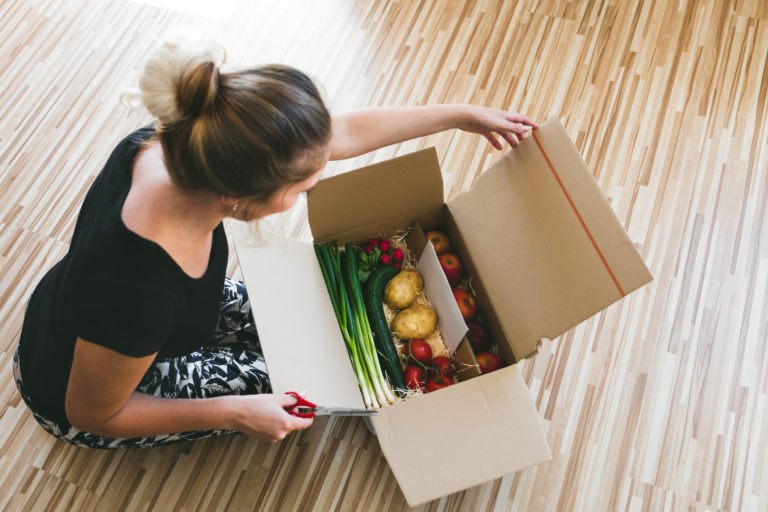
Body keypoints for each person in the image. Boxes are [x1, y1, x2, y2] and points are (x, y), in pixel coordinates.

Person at [13, 40, 539, 449]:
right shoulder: (137, 289)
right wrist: (237, 412)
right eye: (304, 187)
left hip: (107, 321)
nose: (316, 180)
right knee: (302, 386)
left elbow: (341, 134)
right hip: (82, 394)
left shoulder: (179, 142)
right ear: (239, 196)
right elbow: (93, 412)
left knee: (317, 331)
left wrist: (460, 114)